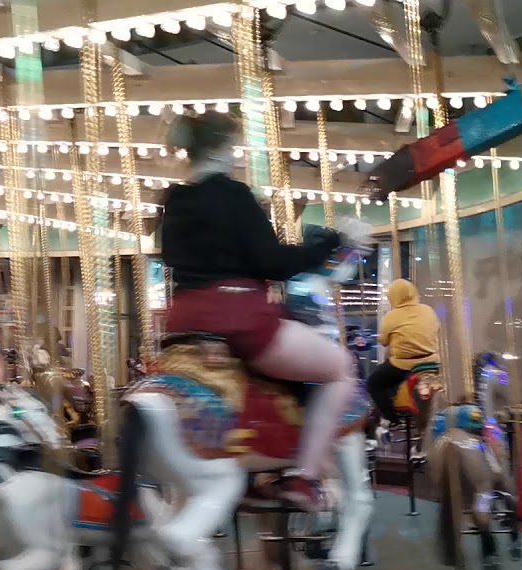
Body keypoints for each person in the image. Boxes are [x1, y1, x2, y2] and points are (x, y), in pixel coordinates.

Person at [160, 112, 358, 512]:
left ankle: (253, 469)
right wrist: (335, 242)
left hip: (182, 323)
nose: (236, 158)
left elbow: (171, 257)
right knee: (340, 368)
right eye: (232, 149)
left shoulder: (174, 200)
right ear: (217, 149)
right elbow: (273, 262)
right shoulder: (233, 194)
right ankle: (303, 477)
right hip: (237, 318)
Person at [369, 279, 440, 425]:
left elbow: (383, 341)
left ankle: (392, 419)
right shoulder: (428, 310)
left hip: (404, 366)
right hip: (432, 362)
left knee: (374, 383)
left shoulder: (391, 316)